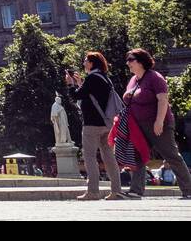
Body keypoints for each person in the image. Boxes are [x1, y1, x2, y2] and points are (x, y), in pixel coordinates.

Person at [122, 48, 191, 199]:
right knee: (138, 156)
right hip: (138, 126)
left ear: (141, 61)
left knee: (171, 155)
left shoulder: (154, 77)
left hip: (158, 124)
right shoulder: (133, 80)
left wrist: (159, 121)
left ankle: (188, 190)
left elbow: (163, 100)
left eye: (131, 60)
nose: (128, 63)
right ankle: (136, 190)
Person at [66, 52, 123, 200]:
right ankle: (116, 190)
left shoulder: (92, 78)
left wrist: (70, 85)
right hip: (107, 123)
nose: (83, 63)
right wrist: (80, 84)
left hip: (92, 124)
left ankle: (93, 191)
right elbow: (90, 95)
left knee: (90, 157)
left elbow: (76, 96)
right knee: (109, 157)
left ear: (91, 63)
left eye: (85, 61)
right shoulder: (105, 78)